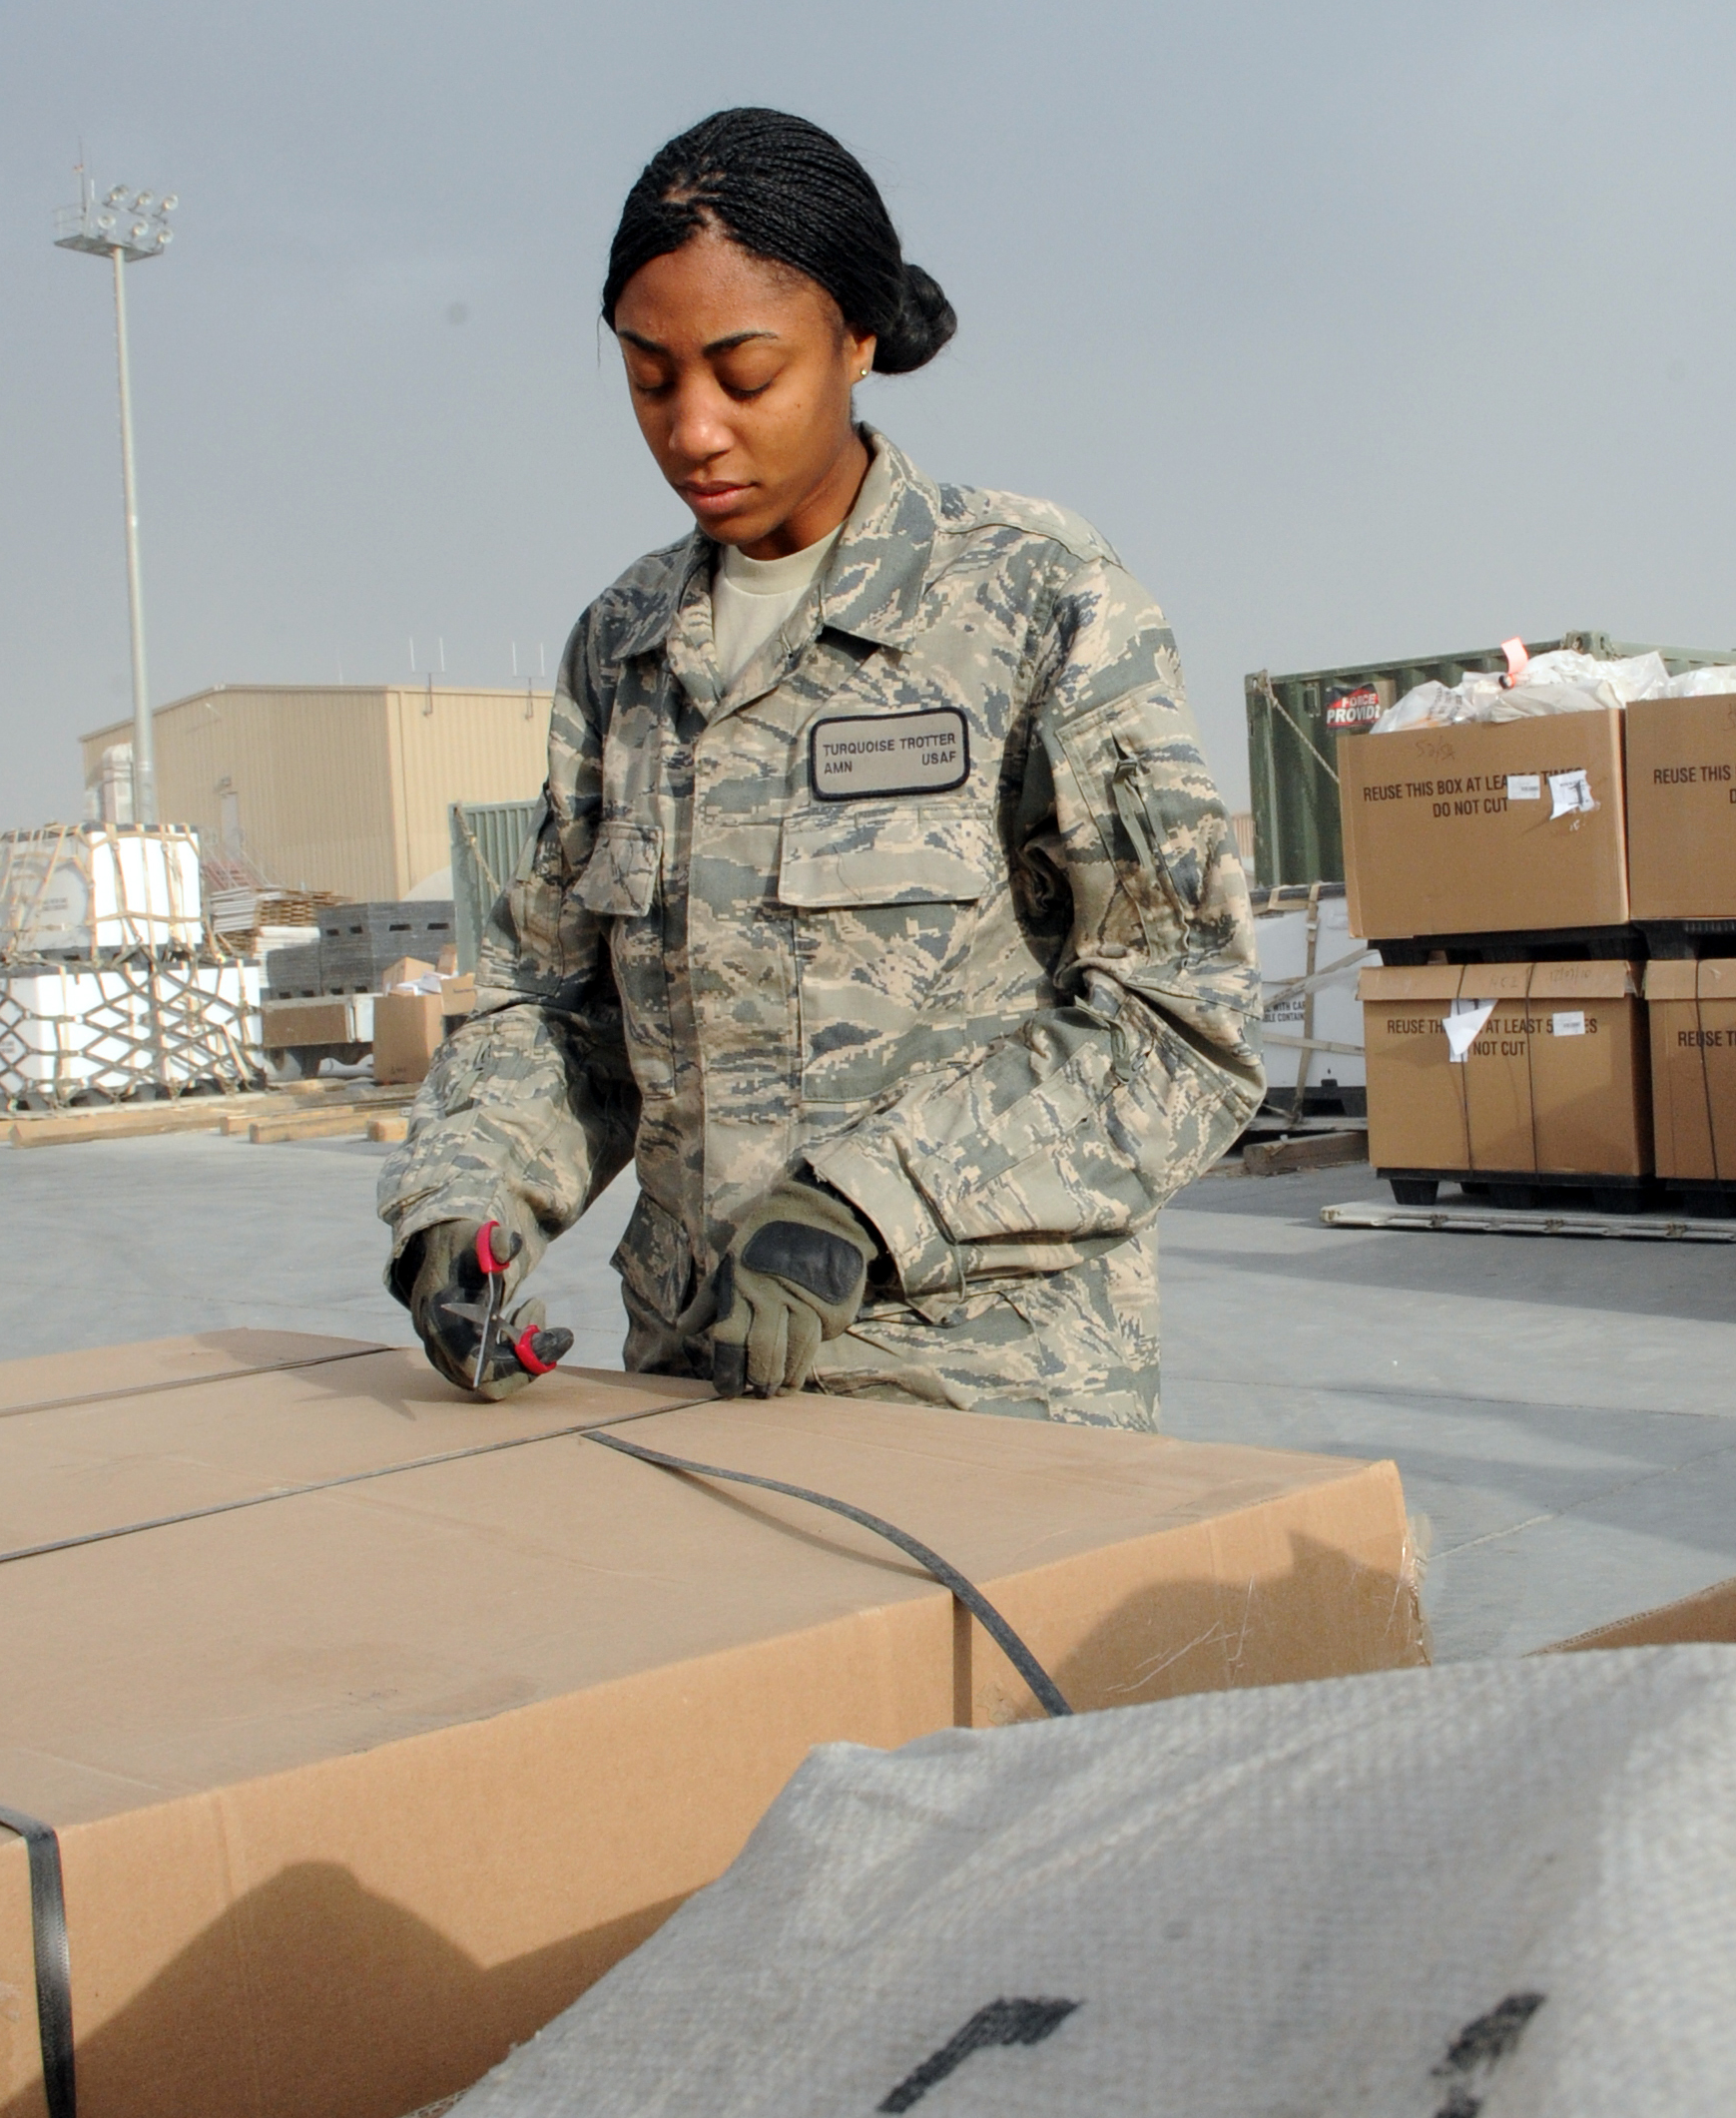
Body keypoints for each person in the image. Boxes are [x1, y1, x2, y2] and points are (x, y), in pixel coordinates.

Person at [378, 107, 1260, 1430]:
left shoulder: (1034, 600)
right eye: (647, 376)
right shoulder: (623, 651)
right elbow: (560, 1011)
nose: (693, 429)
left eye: (745, 374)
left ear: (856, 340)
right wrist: (464, 1199)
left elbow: (1184, 1015)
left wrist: (870, 1203)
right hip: (691, 1387)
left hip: (977, 1396)